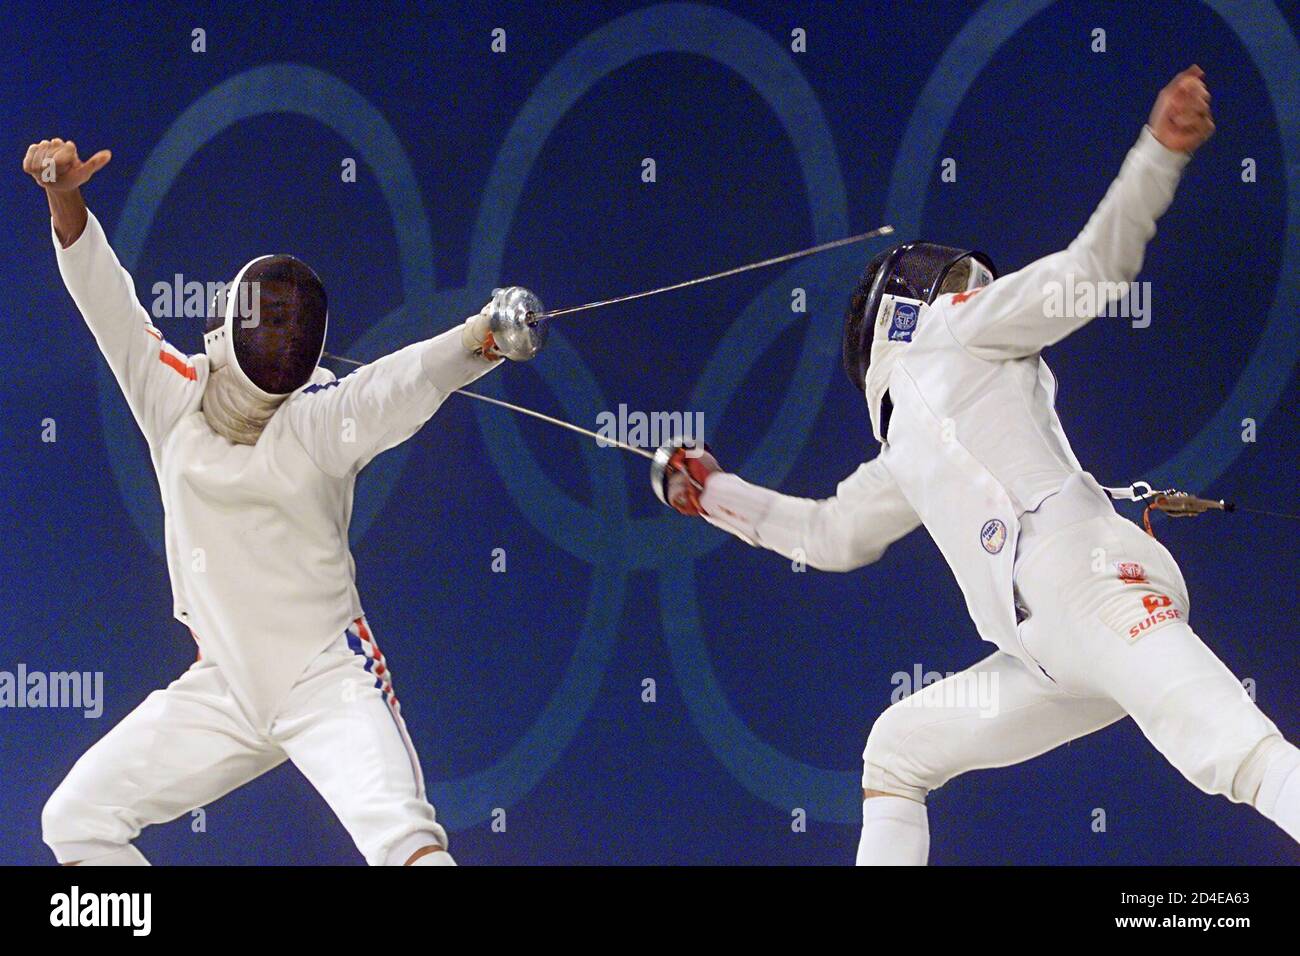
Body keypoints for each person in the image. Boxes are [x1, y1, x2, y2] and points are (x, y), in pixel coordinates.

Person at [653, 67, 1299, 864]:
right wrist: (713, 492)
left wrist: (1157, 155)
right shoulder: (905, 449)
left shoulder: (955, 330)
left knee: (1243, 754)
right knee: (897, 751)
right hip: (1049, 653)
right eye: (958, 281)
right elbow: (828, 534)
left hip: (1096, 586)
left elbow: (1089, 275)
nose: (972, 288)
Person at [26, 136, 539, 866]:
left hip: (327, 679)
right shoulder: (173, 396)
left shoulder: (317, 419)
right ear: (229, 322)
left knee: (404, 843)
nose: (285, 336)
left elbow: (397, 385)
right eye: (270, 318)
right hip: (225, 688)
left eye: (298, 325)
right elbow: (108, 302)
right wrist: (64, 197)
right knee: (76, 819)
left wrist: (480, 338)